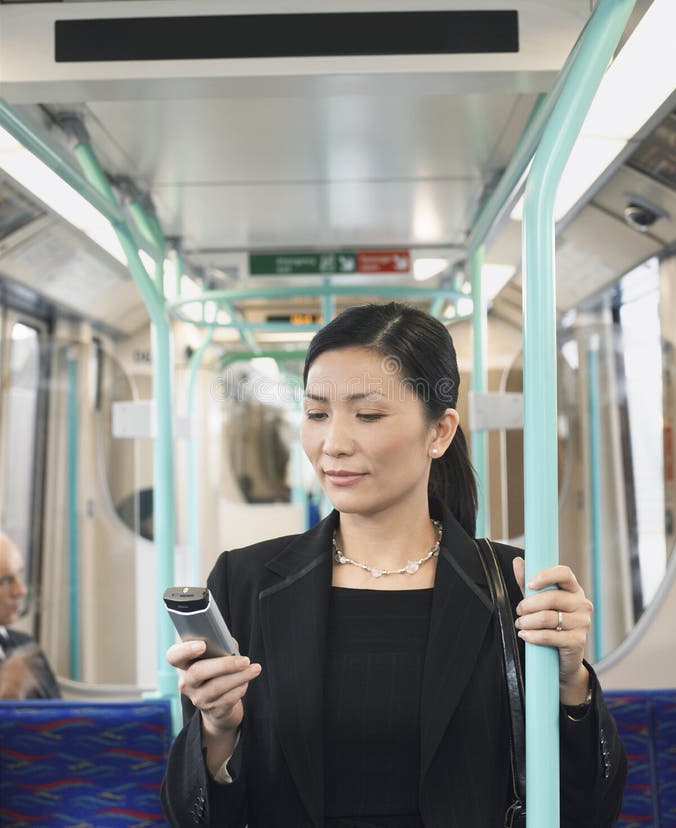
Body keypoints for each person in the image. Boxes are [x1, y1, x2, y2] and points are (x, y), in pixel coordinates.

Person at [161, 302, 626, 828]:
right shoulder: (244, 582)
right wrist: (218, 730)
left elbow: (589, 809)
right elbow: (194, 818)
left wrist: (572, 684)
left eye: (368, 415)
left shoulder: (516, 587)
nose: (333, 443)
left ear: (439, 432)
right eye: (316, 414)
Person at [0, 532, 61, 699]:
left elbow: (60, 720)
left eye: (20, 575)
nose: (21, 590)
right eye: (6, 581)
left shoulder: (26, 645)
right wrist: (6, 698)